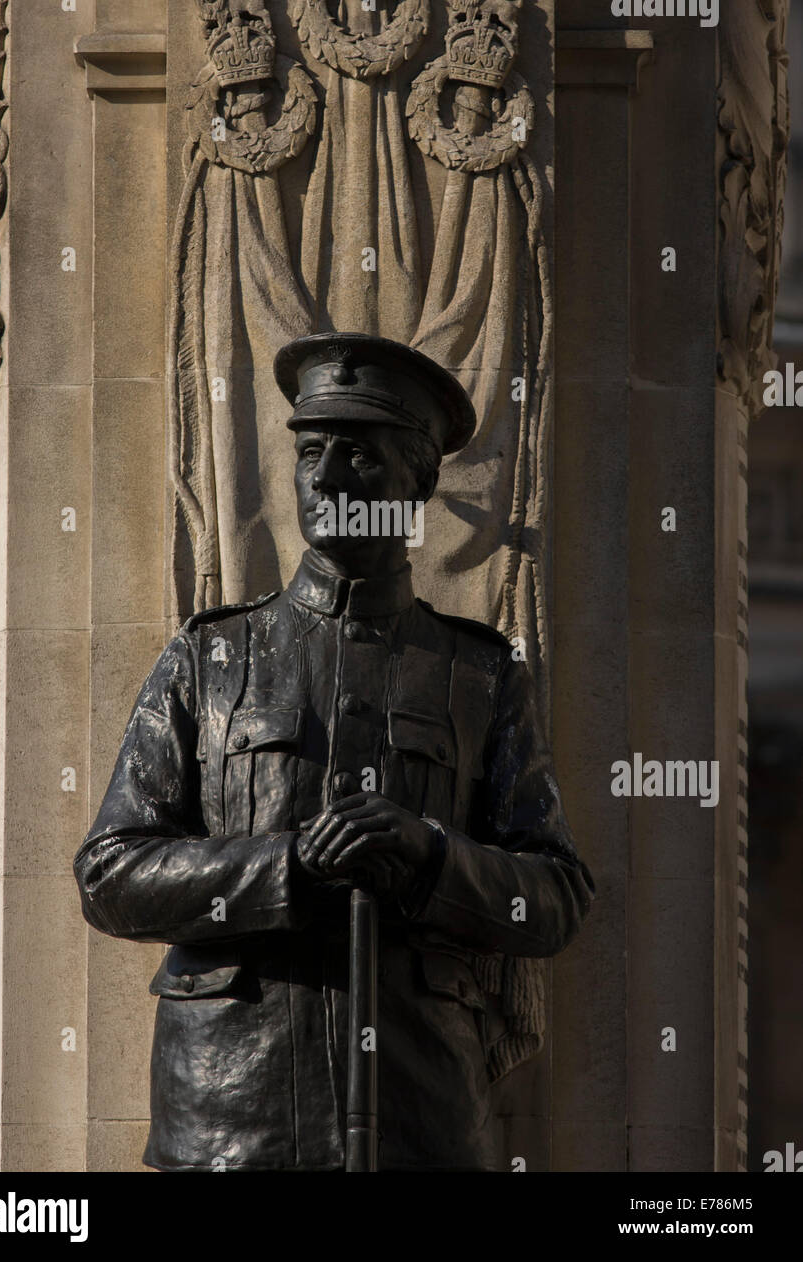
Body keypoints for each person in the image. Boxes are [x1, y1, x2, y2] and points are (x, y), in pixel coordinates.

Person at [74, 331, 594, 1171]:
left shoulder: (480, 675)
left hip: (419, 1116)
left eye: (356, 453)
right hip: (229, 1125)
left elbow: (557, 896)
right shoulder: (210, 660)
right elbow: (109, 875)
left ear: (418, 480)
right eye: (310, 450)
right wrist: (287, 868)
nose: (323, 476)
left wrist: (428, 860)